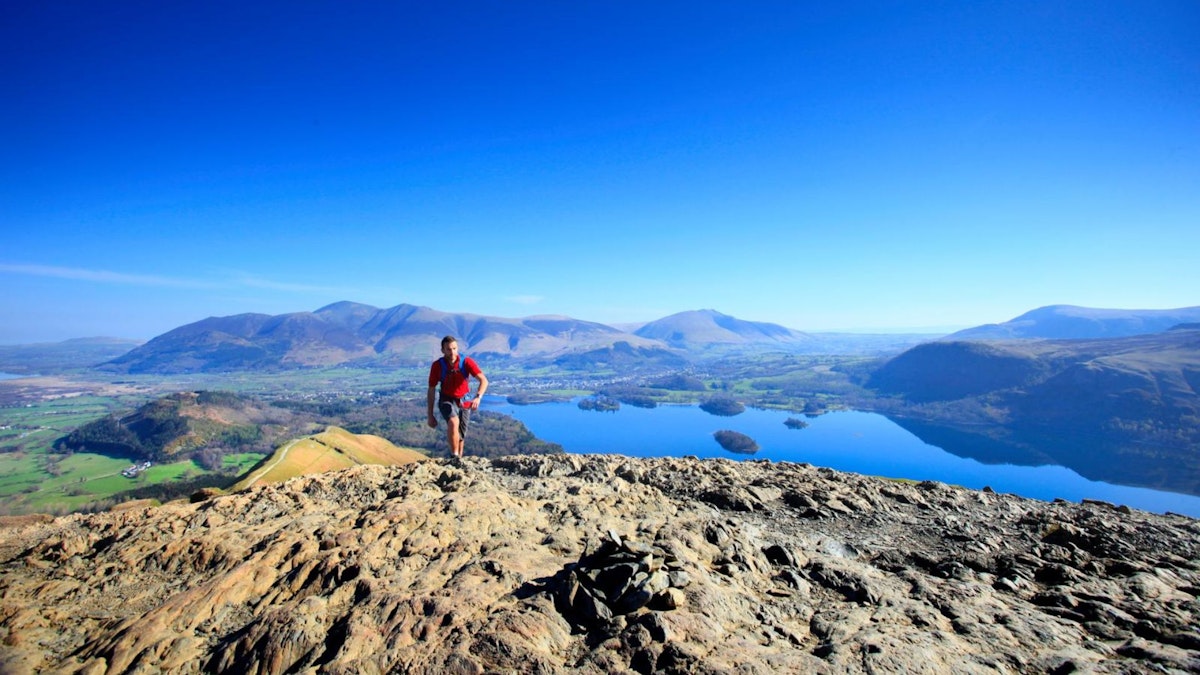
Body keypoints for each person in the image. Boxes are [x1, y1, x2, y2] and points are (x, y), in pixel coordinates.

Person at [426, 335, 488, 460]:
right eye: (448, 349)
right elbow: (431, 389)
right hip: (446, 399)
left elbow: (484, 380)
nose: (452, 352)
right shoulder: (437, 366)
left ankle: (458, 458)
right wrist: (430, 414)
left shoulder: (466, 362)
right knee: (454, 422)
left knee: (461, 435)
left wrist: (478, 397)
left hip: (464, 400)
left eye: (454, 348)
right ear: (443, 350)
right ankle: (454, 456)